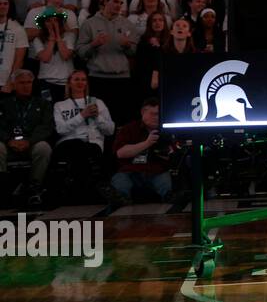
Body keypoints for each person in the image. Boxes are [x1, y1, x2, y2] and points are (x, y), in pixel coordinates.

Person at [52, 70, 116, 203]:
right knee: (78, 147)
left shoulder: (97, 102)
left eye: (83, 80)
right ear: (69, 83)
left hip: (92, 142)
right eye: (76, 79)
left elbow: (110, 130)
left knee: (85, 150)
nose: (80, 82)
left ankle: (81, 190)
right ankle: (97, 187)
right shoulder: (60, 105)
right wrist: (82, 115)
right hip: (67, 142)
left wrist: (97, 116)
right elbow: (61, 130)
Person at [107, 97, 177, 207]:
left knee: (165, 180)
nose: (157, 117)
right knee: (120, 181)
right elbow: (120, 153)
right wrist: (147, 143)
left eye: (159, 114)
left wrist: (168, 153)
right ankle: (120, 200)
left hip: (156, 171)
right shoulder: (129, 129)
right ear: (143, 112)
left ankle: (170, 199)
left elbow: (174, 155)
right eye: (153, 114)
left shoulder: (166, 131)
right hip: (130, 171)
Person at [0, 70, 55, 204]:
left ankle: (34, 187)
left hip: (31, 143)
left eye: (29, 82)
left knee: (44, 148)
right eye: (22, 83)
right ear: (13, 85)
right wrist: (9, 140)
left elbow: (46, 126)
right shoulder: (4, 104)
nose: (26, 86)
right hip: (9, 143)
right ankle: (1, 187)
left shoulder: (42, 104)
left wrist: (29, 141)